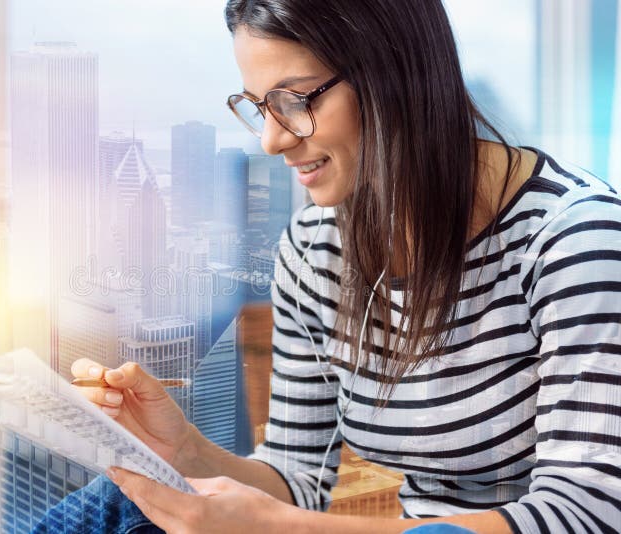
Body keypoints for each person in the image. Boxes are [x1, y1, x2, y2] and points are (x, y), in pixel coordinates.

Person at [37, 1, 621, 532]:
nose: (271, 140)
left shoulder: (572, 240)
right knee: (127, 502)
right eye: (261, 106)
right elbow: (295, 479)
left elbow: (586, 513)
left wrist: (285, 532)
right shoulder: (315, 248)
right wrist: (183, 452)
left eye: (295, 101)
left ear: (396, 77)